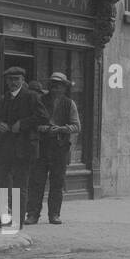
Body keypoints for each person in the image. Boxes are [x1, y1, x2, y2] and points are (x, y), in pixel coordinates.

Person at [0, 67, 47, 226]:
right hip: (5, 148)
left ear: (23, 80)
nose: (13, 83)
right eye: (10, 79)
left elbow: (43, 117)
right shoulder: (4, 98)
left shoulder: (31, 97)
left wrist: (22, 124)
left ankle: (16, 220)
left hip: (24, 148)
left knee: (19, 186)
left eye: (16, 79)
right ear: (6, 81)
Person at [26, 72, 80, 225]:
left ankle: (54, 214)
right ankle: (32, 214)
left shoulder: (69, 104)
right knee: (36, 181)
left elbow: (77, 126)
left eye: (59, 86)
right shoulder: (39, 101)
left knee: (57, 182)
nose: (55, 89)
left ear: (64, 88)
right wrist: (39, 127)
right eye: (53, 86)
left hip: (60, 148)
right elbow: (30, 121)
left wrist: (62, 129)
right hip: (41, 146)